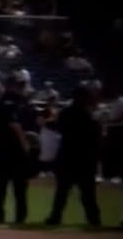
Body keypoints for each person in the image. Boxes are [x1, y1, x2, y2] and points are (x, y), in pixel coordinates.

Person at [44, 83, 103, 227]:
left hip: (67, 155)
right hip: (84, 158)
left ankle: (55, 217)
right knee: (88, 193)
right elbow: (95, 136)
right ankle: (93, 218)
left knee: (62, 192)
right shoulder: (89, 115)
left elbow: (58, 127)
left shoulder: (66, 113)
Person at [0, 71, 34, 224]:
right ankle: (17, 215)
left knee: (4, 186)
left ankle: (0, 214)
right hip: (13, 149)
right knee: (16, 186)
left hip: (3, 149)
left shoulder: (8, 100)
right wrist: (25, 144)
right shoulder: (13, 101)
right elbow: (14, 124)